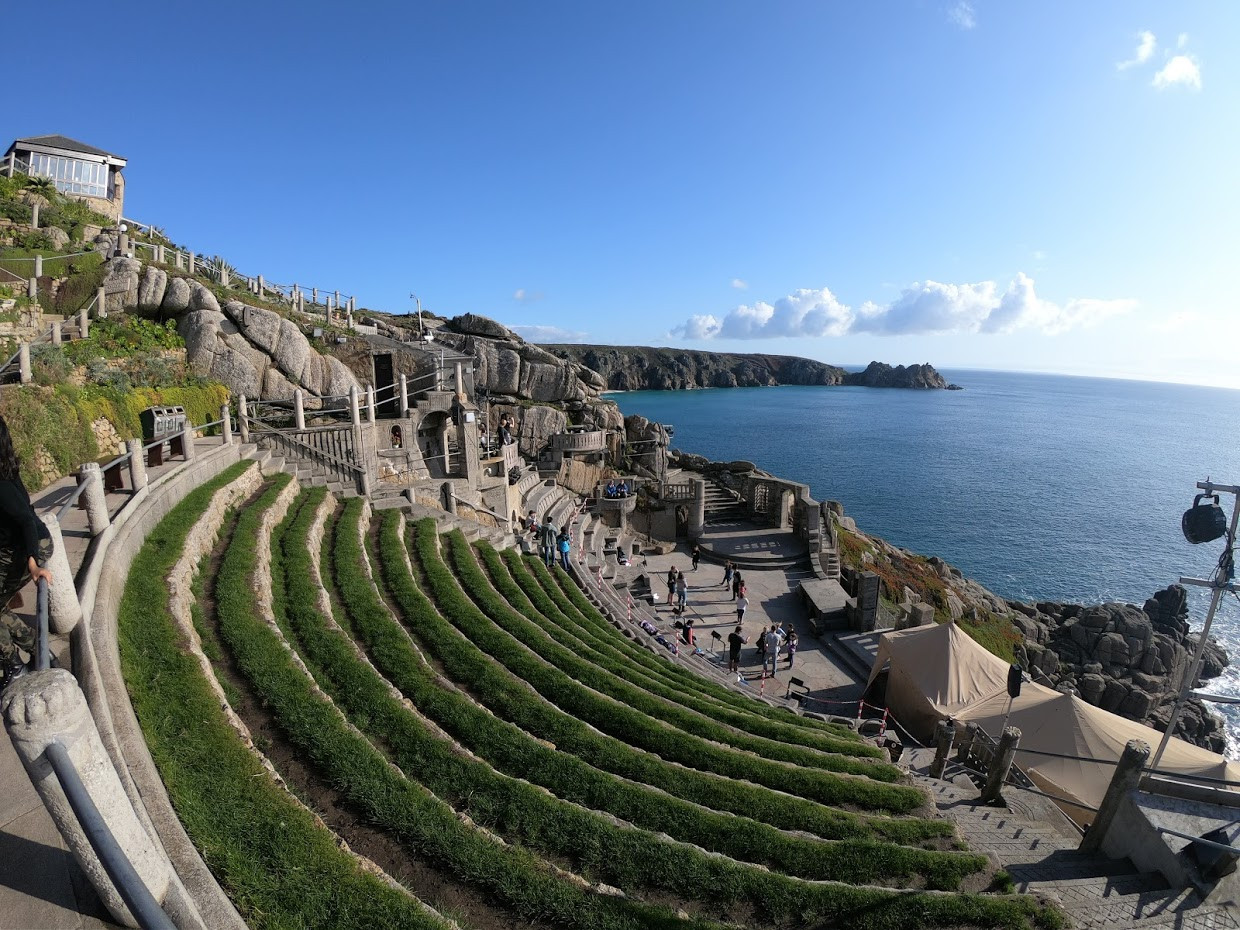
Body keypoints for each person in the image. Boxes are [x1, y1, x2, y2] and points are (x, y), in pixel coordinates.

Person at [1, 415, 53, 689]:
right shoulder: (8, 470)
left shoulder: (1, 482)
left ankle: (13, 665)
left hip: (27, 544)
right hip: (23, 542)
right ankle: (38, 652)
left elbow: (23, 519)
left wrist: (33, 566)